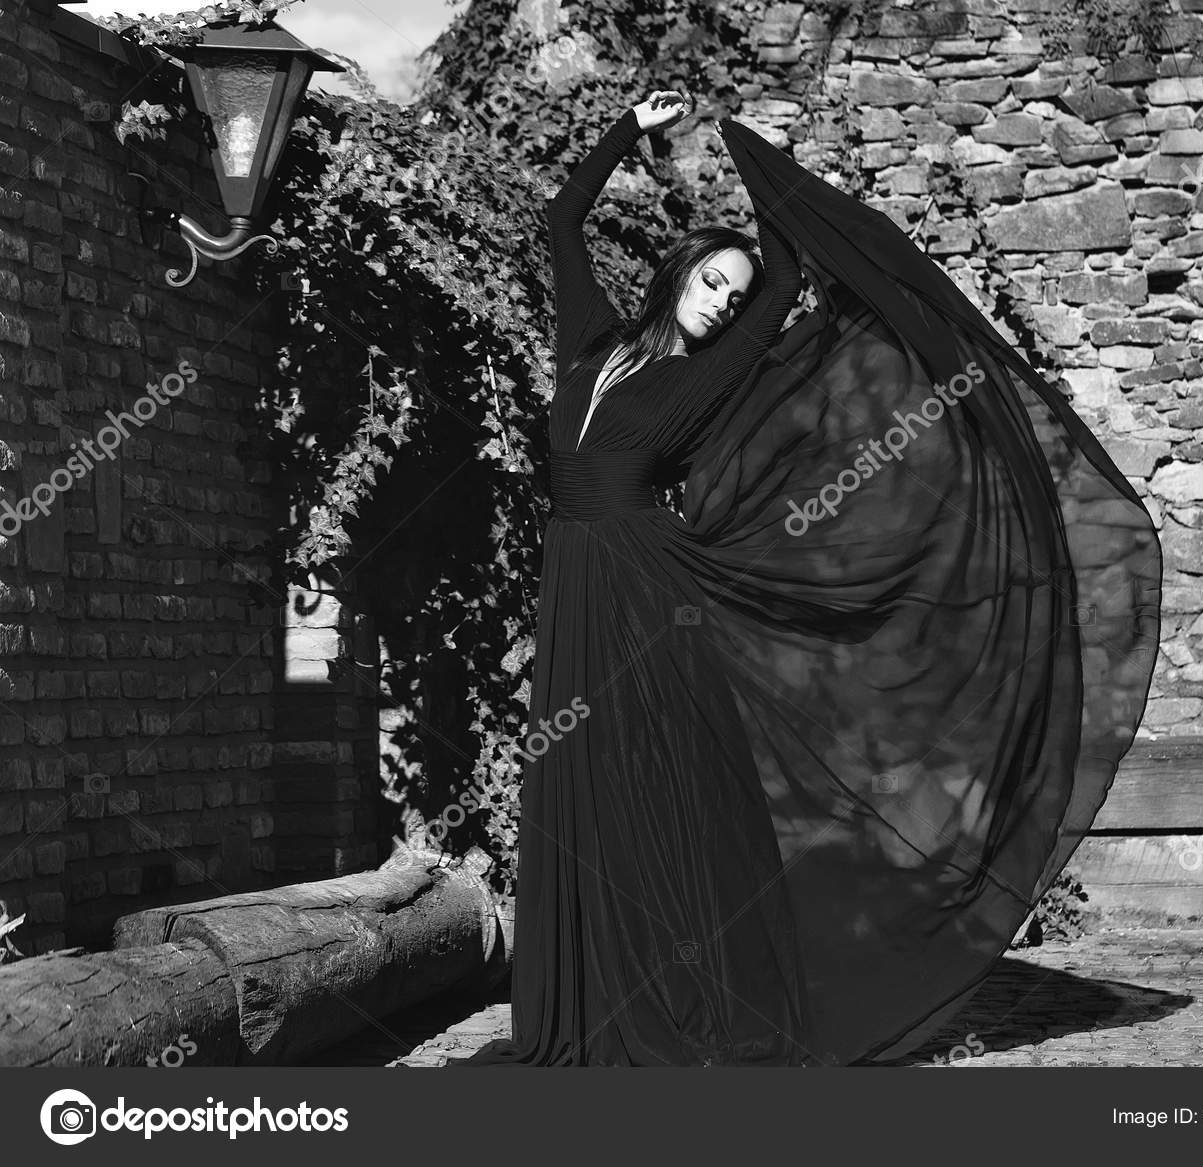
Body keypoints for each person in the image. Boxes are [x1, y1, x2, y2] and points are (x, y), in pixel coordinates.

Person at [449, 89, 1163, 1067]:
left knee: (656, 794)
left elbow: (786, 273)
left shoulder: (715, 375)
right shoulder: (591, 342)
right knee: (585, 793)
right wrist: (633, 129)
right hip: (575, 582)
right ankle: (603, 1000)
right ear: (679, 272)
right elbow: (562, 217)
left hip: (647, 592)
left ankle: (694, 996)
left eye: (734, 296)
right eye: (712, 281)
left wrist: (752, 151)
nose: (722, 301)